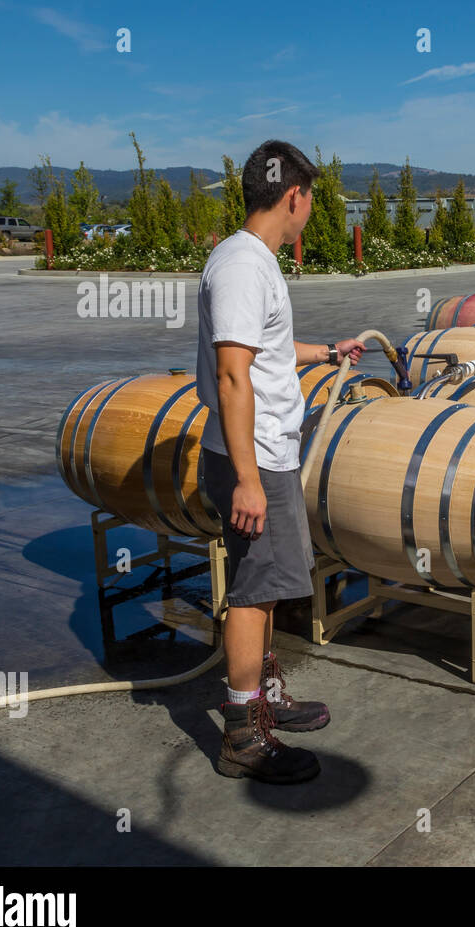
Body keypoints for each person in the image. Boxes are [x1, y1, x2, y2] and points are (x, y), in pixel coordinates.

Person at [195, 140, 365, 784]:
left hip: (264, 455)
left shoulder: (250, 261)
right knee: (254, 592)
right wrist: (247, 479)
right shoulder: (243, 266)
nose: (311, 210)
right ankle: (243, 735)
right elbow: (233, 375)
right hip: (255, 460)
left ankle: (265, 700)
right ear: (294, 194)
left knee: (265, 591)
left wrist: (324, 352)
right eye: (311, 197)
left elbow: (262, 351)